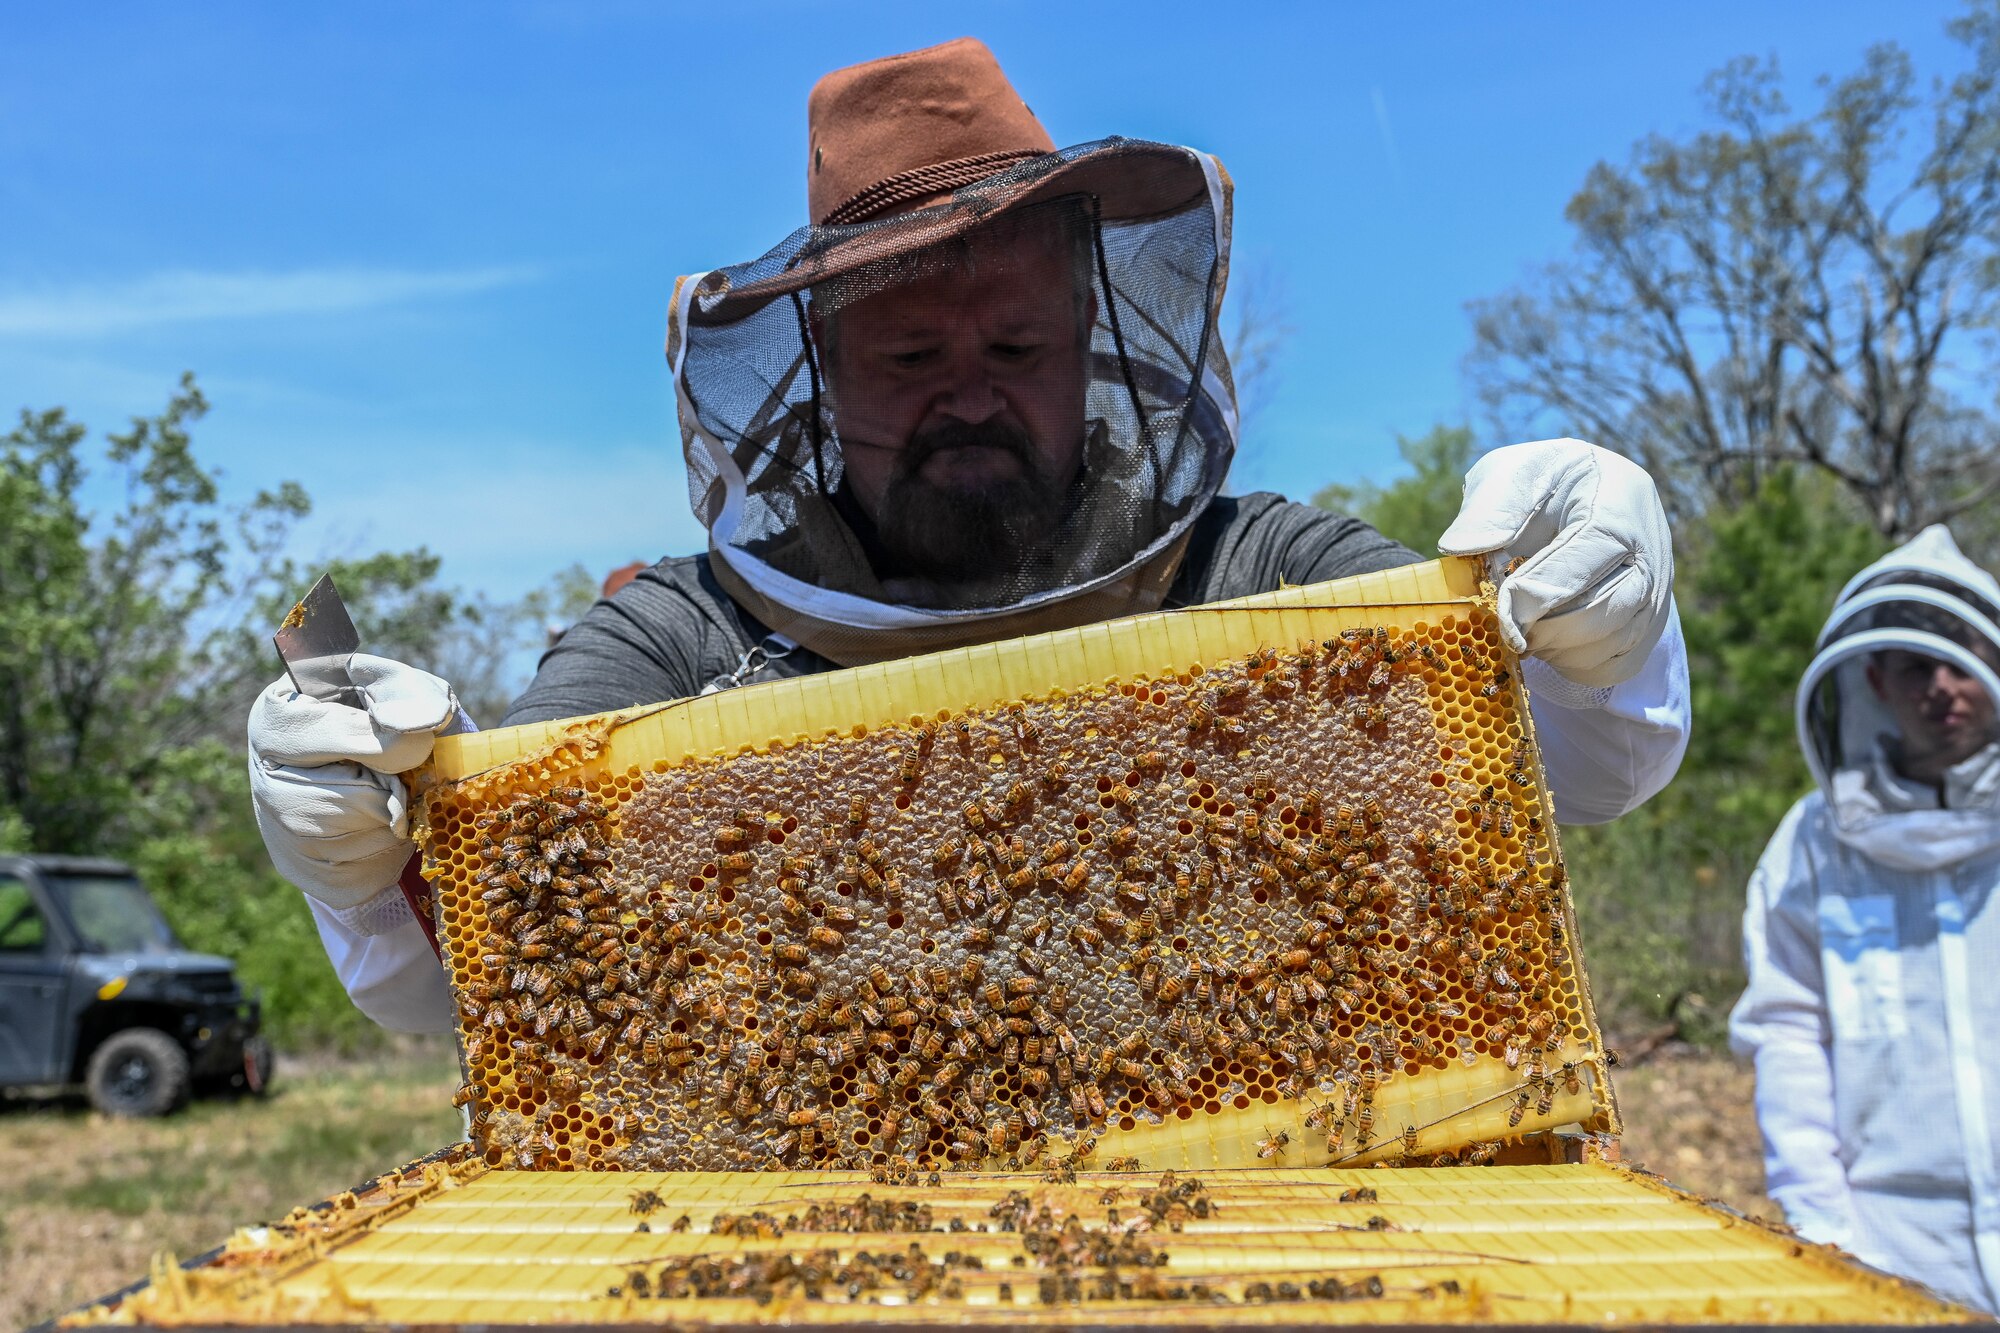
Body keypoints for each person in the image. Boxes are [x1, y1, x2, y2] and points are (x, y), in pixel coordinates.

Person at [248, 38, 1689, 1035]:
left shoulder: (1258, 569)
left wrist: (1597, 629)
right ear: (819, 378)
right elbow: (467, 979)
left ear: (1090, 338)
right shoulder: (683, 639)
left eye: (1013, 344)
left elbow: (1578, 770)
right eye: (908, 357)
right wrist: (372, 852)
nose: (970, 397)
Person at [1730, 525, 2000, 1313]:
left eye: (1960, 662)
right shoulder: (1813, 844)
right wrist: (1828, 1229)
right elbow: (1788, 1033)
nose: (1941, 687)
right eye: (1915, 666)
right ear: (1875, 679)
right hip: (1893, 1247)